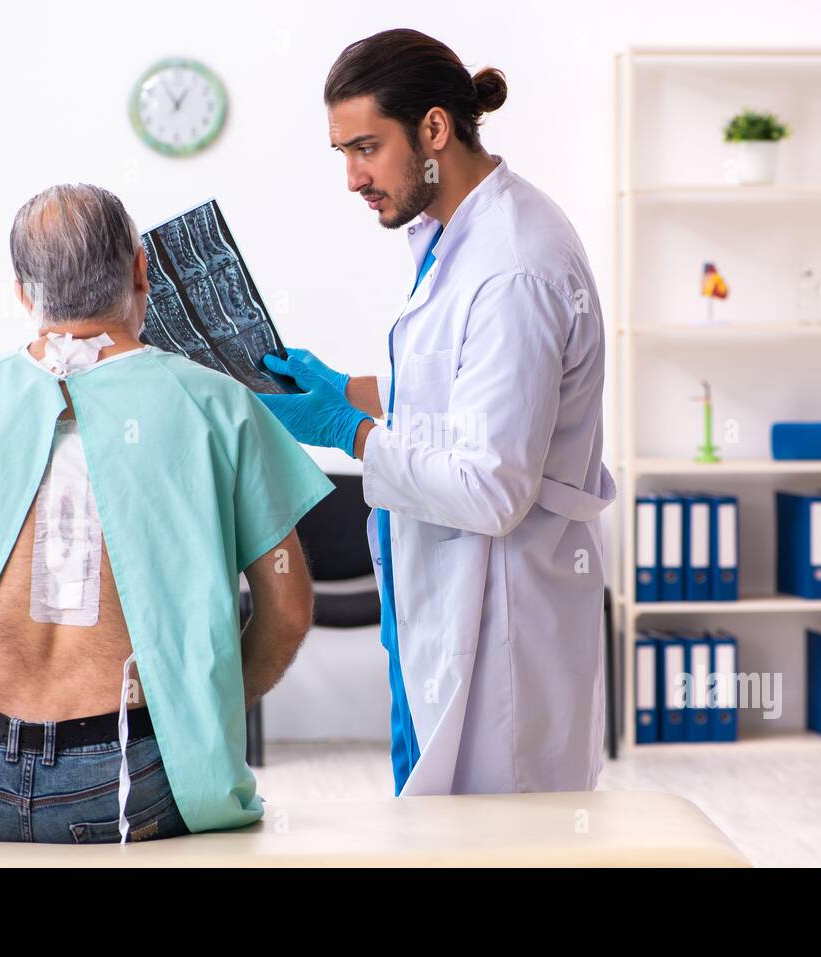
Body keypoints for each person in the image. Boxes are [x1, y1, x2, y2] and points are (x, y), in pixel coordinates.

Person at [0, 183, 332, 843]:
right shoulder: (221, 406)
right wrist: (199, 713)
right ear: (140, 270)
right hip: (134, 772)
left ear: (22, 291)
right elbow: (290, 607)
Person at [257, 29, 616, 797]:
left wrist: (346, 432)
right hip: (436, 595)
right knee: (432, 828)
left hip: (502, 616)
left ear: (433, 130)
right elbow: (458, 395)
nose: (353, 178)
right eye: (342, 154)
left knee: (498, 838)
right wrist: (343, 391)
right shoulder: (455, 234)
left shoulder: (513, 265)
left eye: (366, 148)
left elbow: (492, 486)